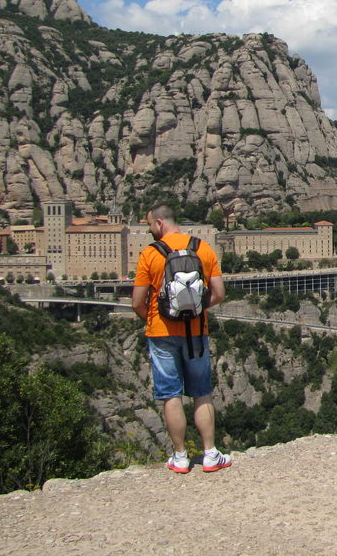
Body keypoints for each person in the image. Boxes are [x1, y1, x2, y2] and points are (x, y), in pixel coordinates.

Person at [131, 203, 230, 474]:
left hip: (161, 334)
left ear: (160, 223)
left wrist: (152, 318)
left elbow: (137, 301)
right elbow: (219, 293)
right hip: (196, 331)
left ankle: (180, 456)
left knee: (171, 395)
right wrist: (195, 310)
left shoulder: (150, 254)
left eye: (150, 224)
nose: (149, 229)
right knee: (201, 393)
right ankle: (210, 454)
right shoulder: (203, 248)